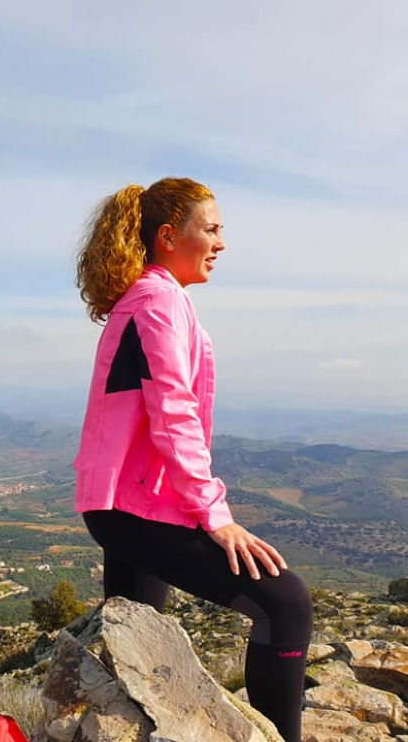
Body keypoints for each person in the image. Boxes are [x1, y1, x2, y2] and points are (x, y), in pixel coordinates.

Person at [72, 177, 312, 742]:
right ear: (167, 236)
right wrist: (214, 514)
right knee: (286, 603)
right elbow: (173, 410)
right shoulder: (159, 301)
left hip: (125, 502)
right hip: (134, 505)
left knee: (138, 639)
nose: (221, 243)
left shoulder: (147, 296)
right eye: (211, 229)